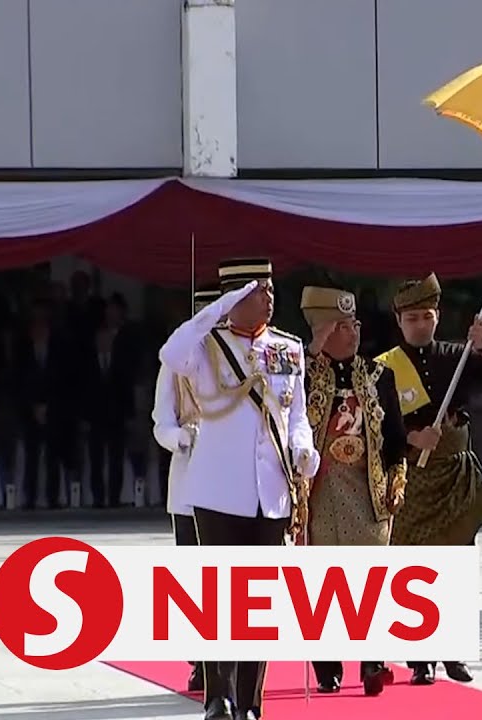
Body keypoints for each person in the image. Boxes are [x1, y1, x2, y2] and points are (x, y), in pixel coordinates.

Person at [157, 258, 320, 720]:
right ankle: (219, 697)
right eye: (258, 290)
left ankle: (250, 701)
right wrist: (219, 309)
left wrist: (304, 447)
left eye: (270, 289)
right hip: (217, 490)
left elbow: (296, 414)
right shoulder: (204, 347)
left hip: (271, 492)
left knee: (259, 602)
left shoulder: (288, 347)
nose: (269, 297)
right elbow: (170, 353)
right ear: (235, 297)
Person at [375, 272, 482, 685]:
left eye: (427, 316)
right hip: (413, 478)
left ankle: (454, 651)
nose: (420, 325)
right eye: (412, 318)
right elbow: (375, 426)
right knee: (415, 569)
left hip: (454, 473)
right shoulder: (383, 368)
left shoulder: (458, 355)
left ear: (438, 316)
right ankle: (420, 657)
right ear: (399, 321)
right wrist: (410, 437)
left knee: (457, 564)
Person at [298, 285, 409, 697]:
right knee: (325, 583)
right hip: (321, 490)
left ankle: (372, 661)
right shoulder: (301, 374)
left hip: (367, 490)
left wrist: (397, 478)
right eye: (342, 326)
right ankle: (327, 665)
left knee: (370, 579)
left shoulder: (380, 376)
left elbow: (395, 438)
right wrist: (311, 353)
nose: (353, 333)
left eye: (355, 324)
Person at [150, 285, 219, 694]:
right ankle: (200, 661)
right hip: (190, 476)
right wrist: (181, 437)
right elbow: (161, 421)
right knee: (194, 577)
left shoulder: (244, 358)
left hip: (233, 479)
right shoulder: (176, 361)